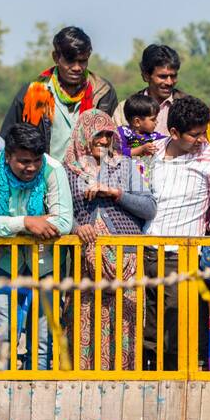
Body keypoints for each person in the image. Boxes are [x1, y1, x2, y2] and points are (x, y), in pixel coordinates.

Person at [144, 96, 210, 371]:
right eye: (194, 134)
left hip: (182, 255)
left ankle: (175, 380)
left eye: (204, 132)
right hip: (143, 250)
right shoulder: (153, 152)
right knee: (148, 324)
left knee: (177, 323)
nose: (202, 138)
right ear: (174, 132)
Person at [0, 122, 73, 370]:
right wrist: (27, 222)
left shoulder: (52, 168)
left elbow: (64, 221)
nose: (32, 167)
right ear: (8, 156)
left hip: (46, 262)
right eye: (24, 161)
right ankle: (1, 394)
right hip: (5, 261)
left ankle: (40, 398)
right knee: (4, 331)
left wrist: (11, 224)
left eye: (36, 160)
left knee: (43, 336)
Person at [63, 110, 156, 371]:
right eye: (98, 135)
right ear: (84, 135)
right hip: (87, 262)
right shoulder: (67, 169)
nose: (104, 141)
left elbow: (149, 208)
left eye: (108, 135)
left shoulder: (124, 166)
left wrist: (116, 194)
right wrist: (77, 227)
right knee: (86, 323)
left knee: (125, 323)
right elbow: (60, 211)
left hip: (126, 259)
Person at [1, 26, 118, 160]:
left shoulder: (103, 93)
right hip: (42, 177)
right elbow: (7, 141)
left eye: (82, 61)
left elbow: (115, 142)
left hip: (90, 177)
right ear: (56, 57)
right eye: (70, 61)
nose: (77, 68)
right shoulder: (32, 93)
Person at [112, 43, 184, 133]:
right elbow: (115, 143)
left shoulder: (188, 107)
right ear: (146, 76)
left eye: (173, 76)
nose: (169, 82)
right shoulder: (124, 109)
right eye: (163, 76)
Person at [117, 94, 165, 164]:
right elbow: (119, 153)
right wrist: (141, 149)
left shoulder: (154, 136)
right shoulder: (122, 132)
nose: (156, 122)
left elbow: (167, 141)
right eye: (153, 119)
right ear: (137, 122)